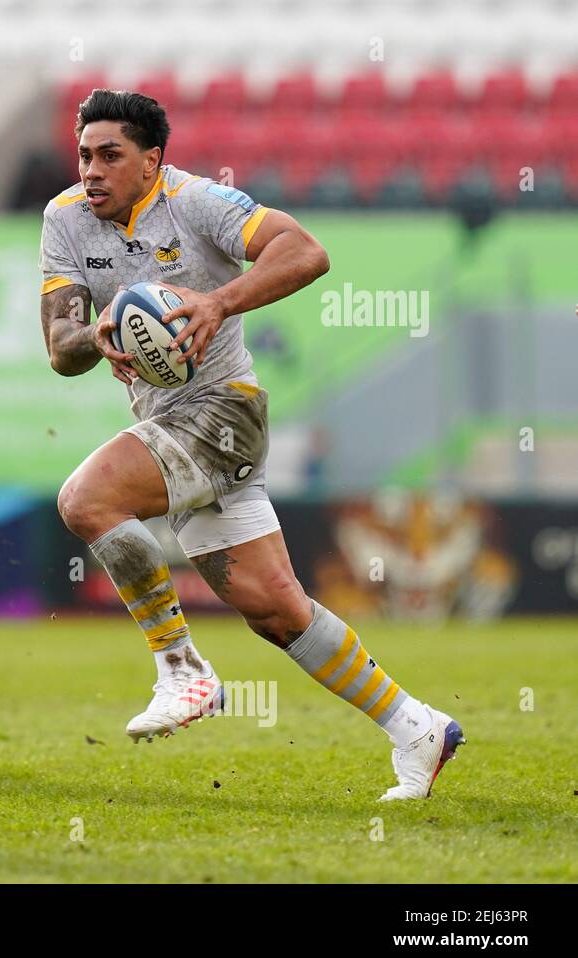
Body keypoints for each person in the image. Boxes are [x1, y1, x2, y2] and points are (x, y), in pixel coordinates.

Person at [40, 90, 464, 801]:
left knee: (88, 500)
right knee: (276, 609)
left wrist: (216, 302)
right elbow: (60, 348)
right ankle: (417, 726)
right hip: (171, 424)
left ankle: (182, 668)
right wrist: (97, 333)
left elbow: (307, 251)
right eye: (85, 154)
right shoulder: (64, 220)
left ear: (152, 161)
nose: (92, 170)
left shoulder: (199, 201)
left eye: (111, 155)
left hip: (224, 413)